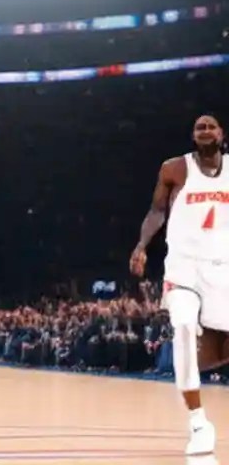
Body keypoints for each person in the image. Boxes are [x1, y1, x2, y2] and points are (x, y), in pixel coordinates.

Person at [130, 113, 228, 456]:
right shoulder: (174, 169)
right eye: (199, 127)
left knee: (217, 351)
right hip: (183, 268)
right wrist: (142, 246)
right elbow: (157, 211)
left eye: (211, 126)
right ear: (193, 135)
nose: (204, 130)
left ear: (222, 134)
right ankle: (198, 422)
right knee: (183, 327)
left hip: (223, 270)